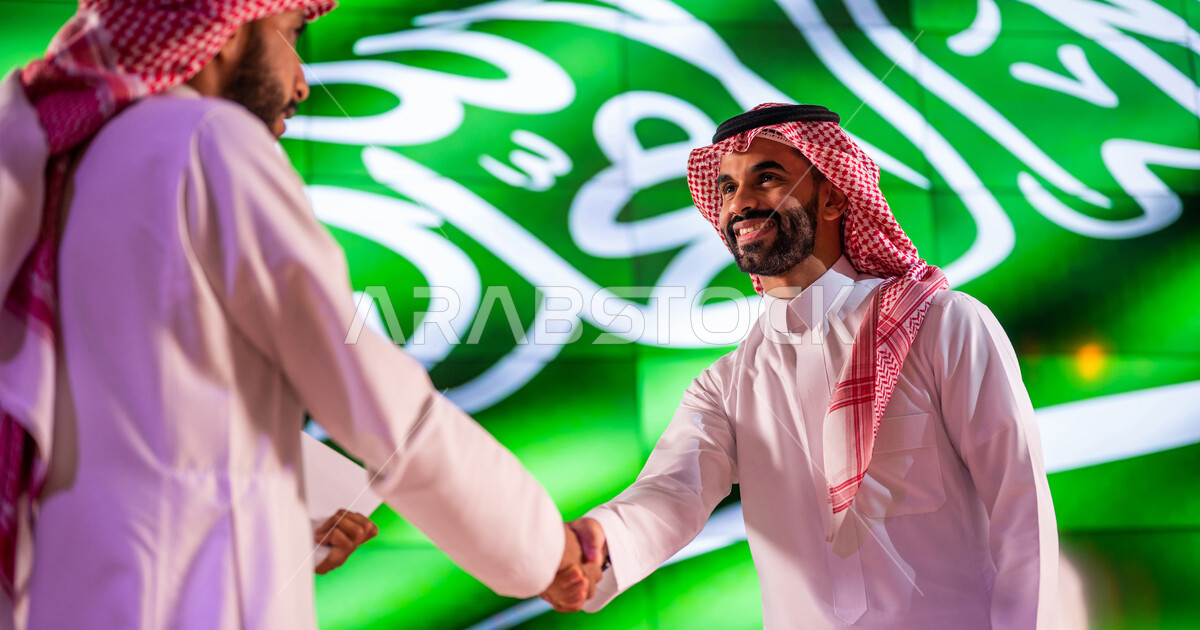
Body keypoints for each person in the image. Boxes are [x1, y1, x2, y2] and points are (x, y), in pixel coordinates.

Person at [0, 2, 583, 629]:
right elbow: (379, 405)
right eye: (293, 35)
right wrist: (542, 549)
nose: (302, 82)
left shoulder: (63, 167)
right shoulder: (205, 141)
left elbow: (120, 413)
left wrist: (298, 497)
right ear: (224, 33)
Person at [541, 104, 1059, 628]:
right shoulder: (725, 386)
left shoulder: (942, 325)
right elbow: (673, 491)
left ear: (833, 195)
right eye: (725, 188)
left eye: (767, 179)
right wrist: (598, 544)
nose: (740, 203)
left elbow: (1022, 513)